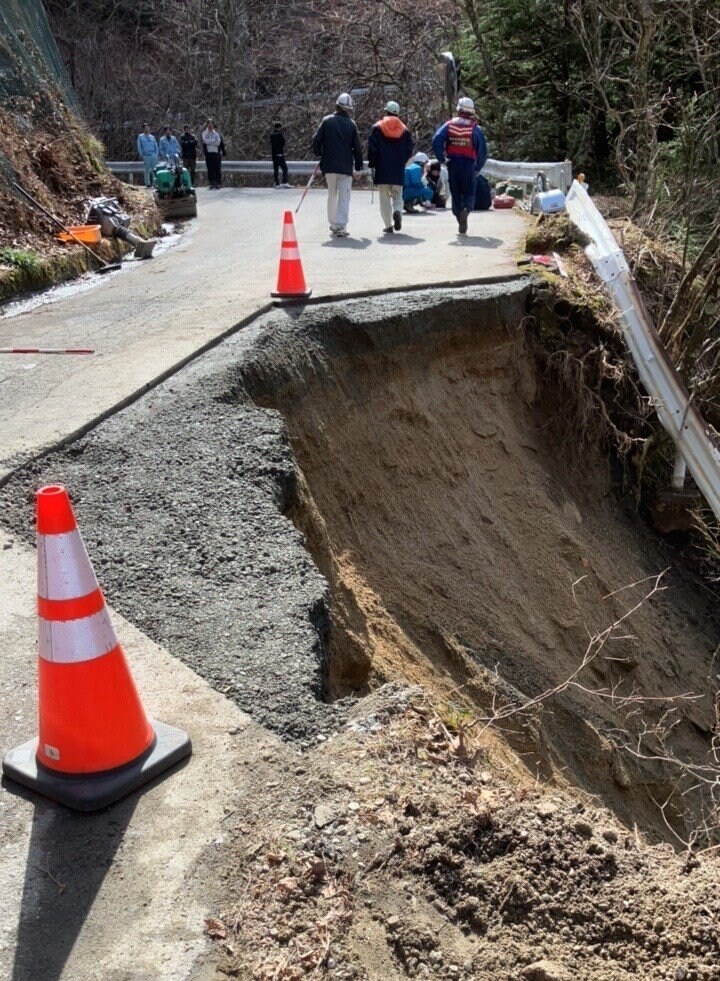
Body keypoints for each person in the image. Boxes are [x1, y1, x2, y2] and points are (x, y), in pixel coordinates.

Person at [432, 97, 488, 234]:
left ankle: (459, 216)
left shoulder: (449, 125)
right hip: (468, 164)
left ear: (459, 109)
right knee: (469, 191)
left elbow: (436, 140)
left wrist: (442, 159)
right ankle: (466, 210)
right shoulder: (476, 129)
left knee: (456, 193)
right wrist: (477, 168)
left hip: (453, 164)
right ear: (471, 112)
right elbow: (483, 152)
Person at [312, 93, 364, 238]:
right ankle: (340, 225)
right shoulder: (352, 124)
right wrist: (359, 167)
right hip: (345, 166)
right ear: (349, 109)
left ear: (337, 105)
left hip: (329, 165)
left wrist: (319, 153)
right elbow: (357, 149)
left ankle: (333, 222)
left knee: (332, 194)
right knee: (344, 195)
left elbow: (317, 141)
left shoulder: (326, 121)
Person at [367, 100, 414, 234]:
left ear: (386, 111)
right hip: (398, 168)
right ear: (398, 113)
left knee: (384, 198)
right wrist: (402, 161)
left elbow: (372, 149)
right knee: (397, 194)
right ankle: (398, 211)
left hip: (382, 168)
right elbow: (409, 150)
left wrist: (372, 163)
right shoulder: (405, 130)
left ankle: (388, 225)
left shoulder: (377, 127)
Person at [202, 119, 224, 189]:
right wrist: (213, 141)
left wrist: (210, 142)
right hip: (208, 153)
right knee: (210, 169)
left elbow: (218, 143)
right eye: (209, 124)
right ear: (207, 125)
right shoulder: (204, 133)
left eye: (211, 123)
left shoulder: (216, 133)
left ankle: (218, 183)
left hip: (216, 153)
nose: (210, 125)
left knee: (217, 169)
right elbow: (205, 141)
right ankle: (212, 183)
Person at [136, 123, 158, 187]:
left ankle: (155, 183)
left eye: (148, 128)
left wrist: (156, 153)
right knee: (147, 170)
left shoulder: (152, 137)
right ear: (143, 129)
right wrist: (141, 154)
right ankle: (147, 183)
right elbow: (139, 146)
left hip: (153, 155)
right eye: (145, 128)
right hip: (146, 155)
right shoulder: (140, 137)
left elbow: (155, 145)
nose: (147, 129)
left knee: (154, 170)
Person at [270, 122, 290, 188]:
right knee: (285, 168)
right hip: (280, 154)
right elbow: (283, 143)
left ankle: (277, 183)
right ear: (279, 127)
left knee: (276, 169)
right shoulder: (279, 135)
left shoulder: (271, 134)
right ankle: (284, 182)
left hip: (274, 155)